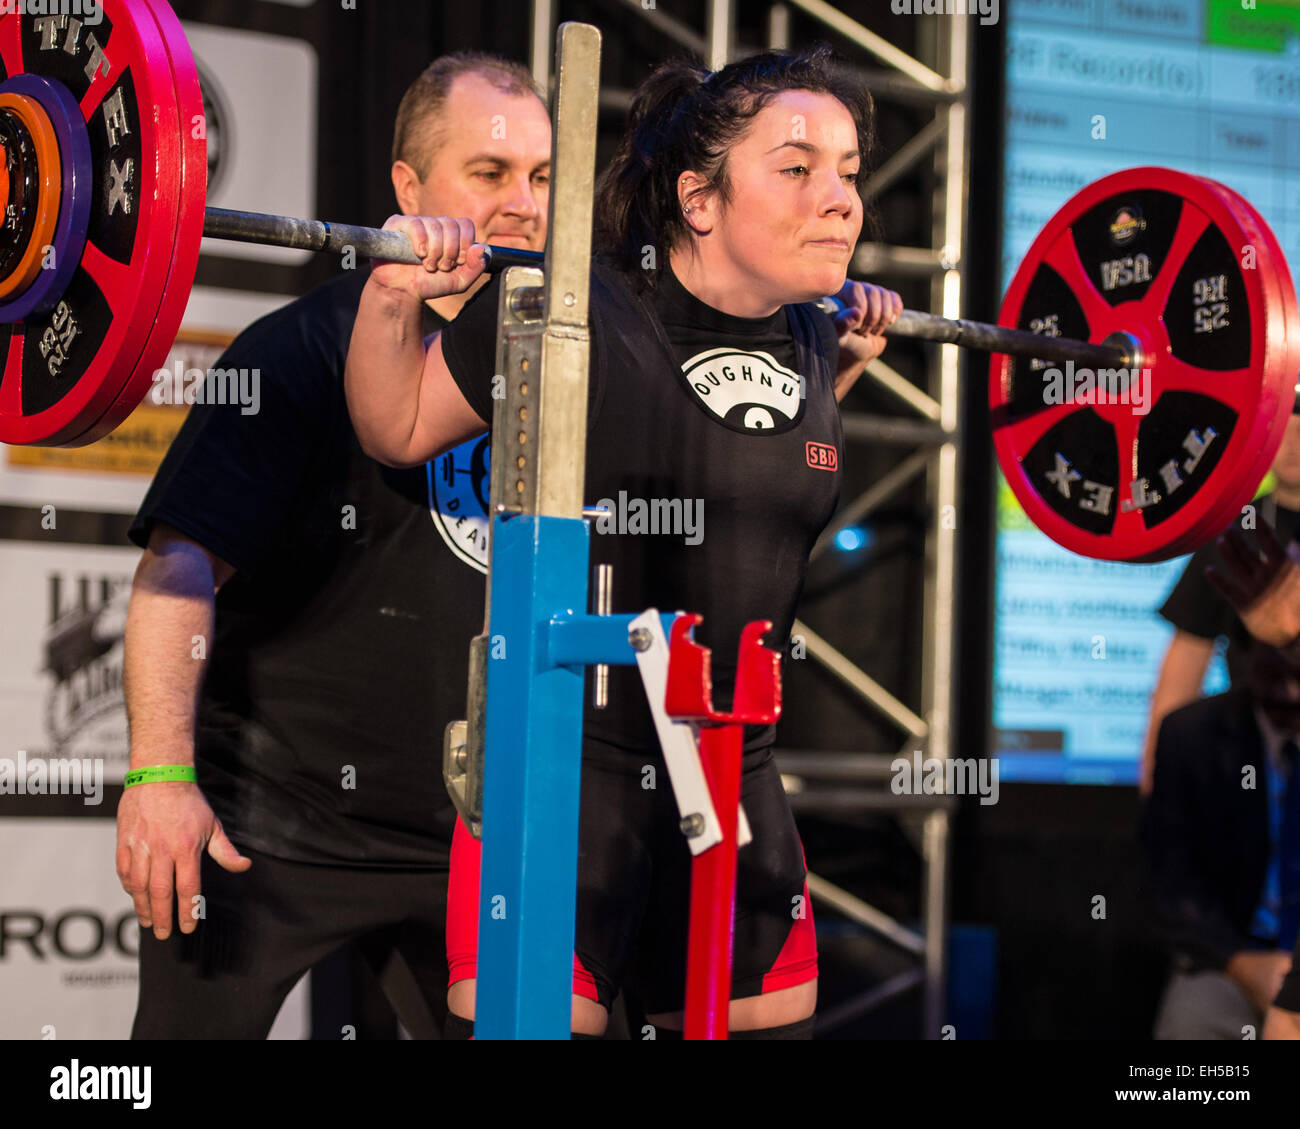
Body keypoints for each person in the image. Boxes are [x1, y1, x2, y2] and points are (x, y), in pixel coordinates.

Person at [346, 47, 903, 1038]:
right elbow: (394, 427)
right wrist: (392, 288)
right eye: (797, 167)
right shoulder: (570, 311)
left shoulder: (815, 336)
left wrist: (847, 362)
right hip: (566, 780)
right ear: (699, 198)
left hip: (737, 780)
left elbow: (746, 459)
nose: (840, 199)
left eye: (849, 171)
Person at [116, 52, 551, 1039]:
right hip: (268, 827)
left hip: (465, 841)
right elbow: (176, 568)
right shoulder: (296, 350)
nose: (523, 205)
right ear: (407, 187)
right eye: (490, 174)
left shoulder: (560, 370)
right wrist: (159, 778)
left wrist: (823, 372)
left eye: (541, 176)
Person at [1140, 643, 1300, 1039]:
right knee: (1193, 1024)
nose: (1290, 692)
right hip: (1232, 952)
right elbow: (1169, 886)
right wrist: (1241, 963)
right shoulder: (1193, 734)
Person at [1139, 409, 1300, 795]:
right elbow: (1186, 661)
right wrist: (1157, 779)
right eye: (1284, 420)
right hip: (1253, 770)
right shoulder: (1236, 528)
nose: (1293, 438)